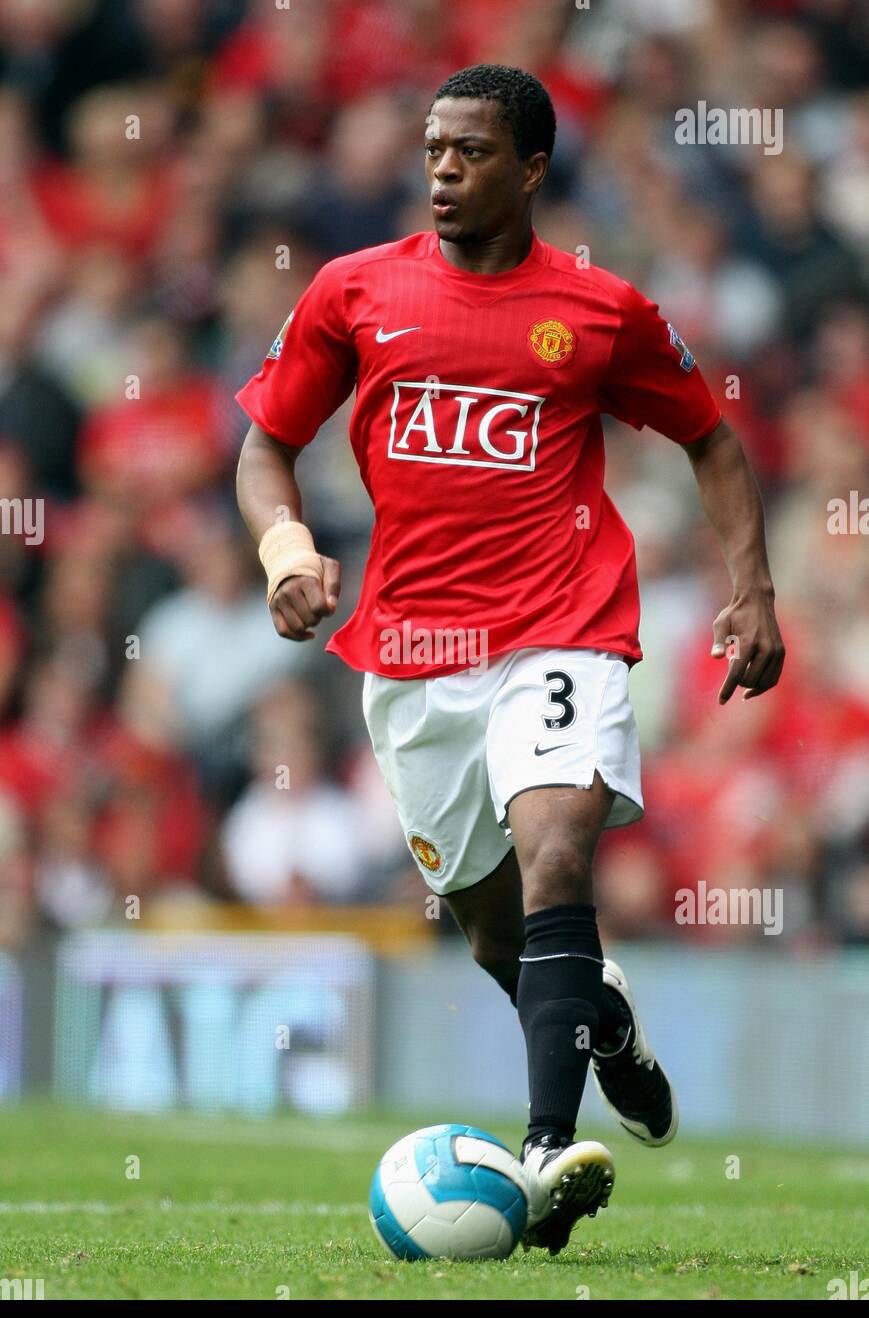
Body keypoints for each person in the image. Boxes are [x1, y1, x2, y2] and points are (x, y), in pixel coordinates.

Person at [235, 64, 785, 1255]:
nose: (441, 169)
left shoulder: (598, 311)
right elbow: (266, 445)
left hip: (561, 623)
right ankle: (605, 1022)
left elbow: (713, 440)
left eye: (470, 152)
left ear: (530, 168)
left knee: (556, 851)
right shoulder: (352, 291)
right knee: (493, 931)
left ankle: (541, 1151)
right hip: (413, 654)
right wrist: (287, 553)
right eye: (432, 148)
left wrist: (749, 591)